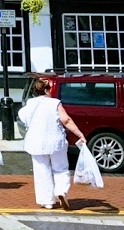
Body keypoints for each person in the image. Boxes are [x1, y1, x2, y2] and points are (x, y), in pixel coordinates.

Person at [18, 77, 87, 210]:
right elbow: (66, 120)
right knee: (60, 168)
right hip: (55, 141)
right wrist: (80, 134)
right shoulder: (54, 103)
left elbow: (23, 117)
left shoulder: (30, 103)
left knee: (41, 171)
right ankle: (61, 191)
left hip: (36, 142)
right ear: (46, 90)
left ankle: (47, 201)